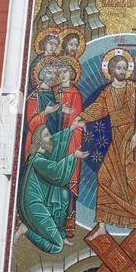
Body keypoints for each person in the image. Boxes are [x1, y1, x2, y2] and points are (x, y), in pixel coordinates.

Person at [71, 53, 136, 249]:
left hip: (134, 139)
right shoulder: (108, 91)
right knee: (105, 176)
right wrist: (80, 117)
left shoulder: (134, 88)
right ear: (111, 71)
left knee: (131, 182)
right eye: (118, 67)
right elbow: (98, 108)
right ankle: (101, 225)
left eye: (125, 67)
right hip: (117, 138)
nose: (122, 71)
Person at [14, 124, 88, 254]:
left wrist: (71, 128)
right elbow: (56, 172)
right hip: (33, 206)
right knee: (57, 246)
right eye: (47, 135)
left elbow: (56, 141)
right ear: (40, 142)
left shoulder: (42, 156)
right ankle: (25, 229)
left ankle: (61, 234)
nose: (51, 138)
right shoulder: (37, 160)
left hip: (41, 201)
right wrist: (73, 156)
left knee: (64, 192)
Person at [56, 56, 84, 238]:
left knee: (68, 181)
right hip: (53, 142)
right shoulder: (52, 92)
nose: (62, 74)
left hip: (70, 141)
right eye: (60, 72)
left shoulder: (75, 94)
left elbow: (77, 119)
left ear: (72, 74)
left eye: (65, 71)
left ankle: (68, 220)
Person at [24, 59, 62, 157]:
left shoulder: (55, 93)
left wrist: (62, 111)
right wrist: (45, 112)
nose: (52, 76)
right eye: (49, 73)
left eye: (54, 73)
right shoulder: (34, 96)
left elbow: (57, 117)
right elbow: (31, 123)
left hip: (52, 137)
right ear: (42, 74)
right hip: (38, 141)